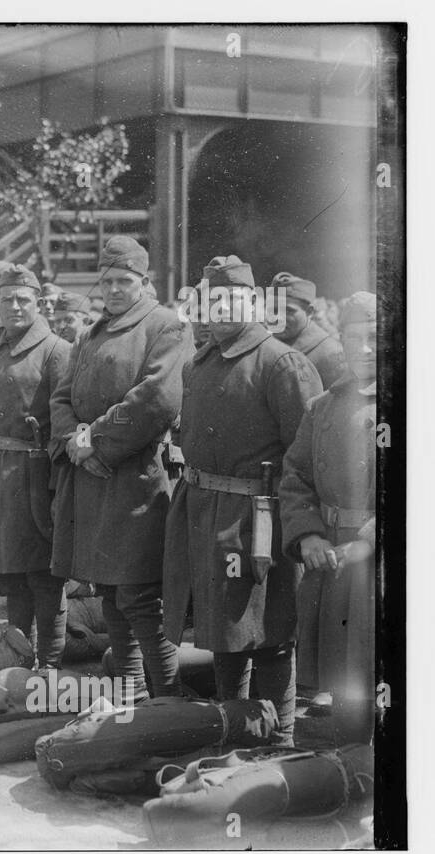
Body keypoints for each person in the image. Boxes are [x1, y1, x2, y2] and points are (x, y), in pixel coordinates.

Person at [163, 256, 322, 743]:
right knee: (222, 630)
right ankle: (236, 729)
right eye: (212, 300)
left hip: (260, 520)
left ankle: (280, 742)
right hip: (205, 511)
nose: (221, 309)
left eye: (232, 298)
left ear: (253, 302)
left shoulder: (281, 363)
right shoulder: (198, 364)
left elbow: (306, 458)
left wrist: (301, 525)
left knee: (271, 636)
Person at [50, 235, 192, 700]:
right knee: (110, 596)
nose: (114, 289)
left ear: (144, 281)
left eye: (124, 281)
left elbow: (156, 398)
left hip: (139, 480)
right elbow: (61, 398)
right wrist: (74, 439)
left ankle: (168, 702)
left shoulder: (166, 326)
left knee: (139, 598)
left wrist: (98, 442)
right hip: (92, 481)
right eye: (107, 281)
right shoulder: (91, 333)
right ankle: (130, 697)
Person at [0, 264, 71, 668]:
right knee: (11, 577)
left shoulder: (56, 351)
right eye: (7, 300)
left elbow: (64, 424)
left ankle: (50, 667)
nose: (15, 307)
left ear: (38, 304)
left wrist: (58, 488)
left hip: (35, 478)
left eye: (23, 300)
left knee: (44, 579)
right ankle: (21, 663)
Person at [280, 292, 378, 743]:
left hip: (378, 557)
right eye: (353, 339)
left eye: (375, 338)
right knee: (338, 664)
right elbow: (295, 476)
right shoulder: (322, 406)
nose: (364, 349)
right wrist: (309, 537)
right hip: (330, 555)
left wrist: (370, 540)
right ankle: (346, 754)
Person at [269, 272, 348, 388]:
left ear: (309, 312)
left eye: (288, 311)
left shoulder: (331, 354)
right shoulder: (269, 344)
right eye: (273, 310)